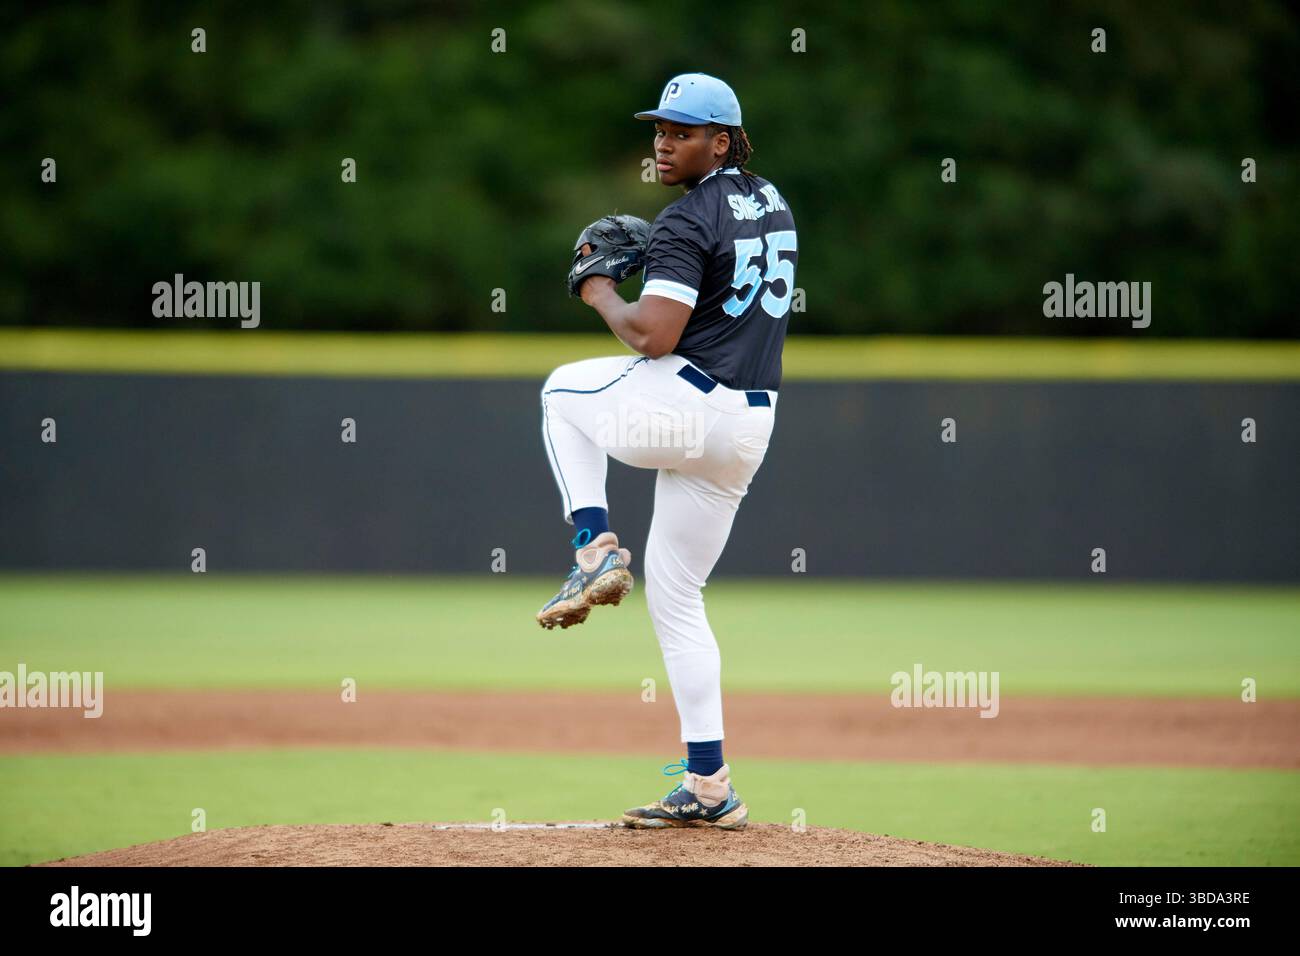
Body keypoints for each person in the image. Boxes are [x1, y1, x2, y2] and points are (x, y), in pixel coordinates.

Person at [537, 73, 798, 829]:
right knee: (679, 599)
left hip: (691, 407)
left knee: (561, 393)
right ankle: (710, 786)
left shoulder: (688, 220)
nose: (663, 142)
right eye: (658, 129)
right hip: (750, 427)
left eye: (682, 132)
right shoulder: (773, 200)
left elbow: (655, 335)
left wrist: (598, 293)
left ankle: (591, 549)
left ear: (722, 141)